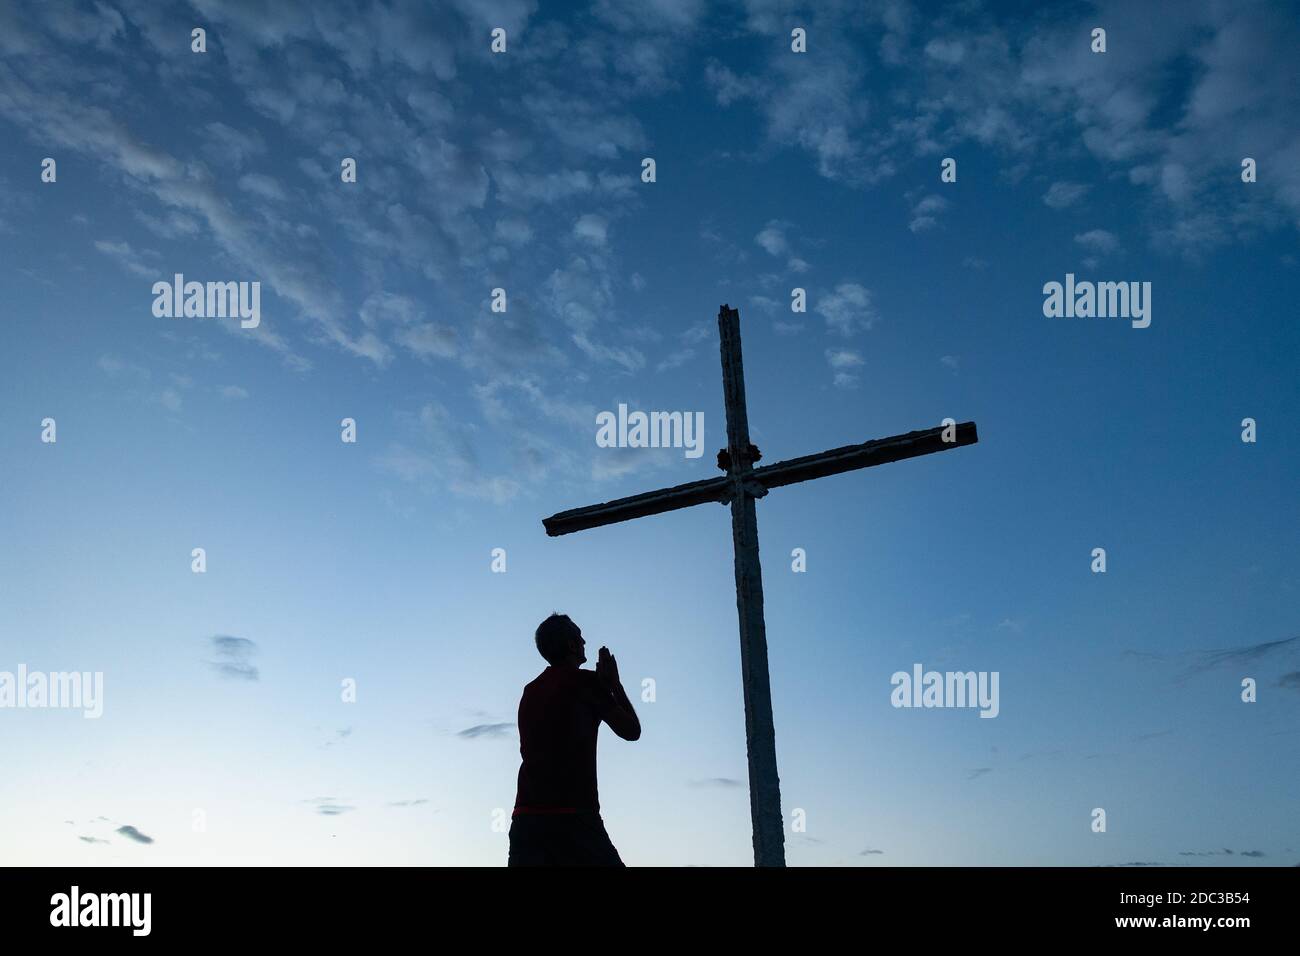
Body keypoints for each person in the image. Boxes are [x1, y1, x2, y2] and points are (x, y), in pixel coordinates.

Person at [508, 613, 641, 866]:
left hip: (526, 820)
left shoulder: (530, 691)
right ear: (571, 645)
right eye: (580, 637)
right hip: (574, 818)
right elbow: (631, 731)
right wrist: (615, 685)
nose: (584, 642)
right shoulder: (587, 683)